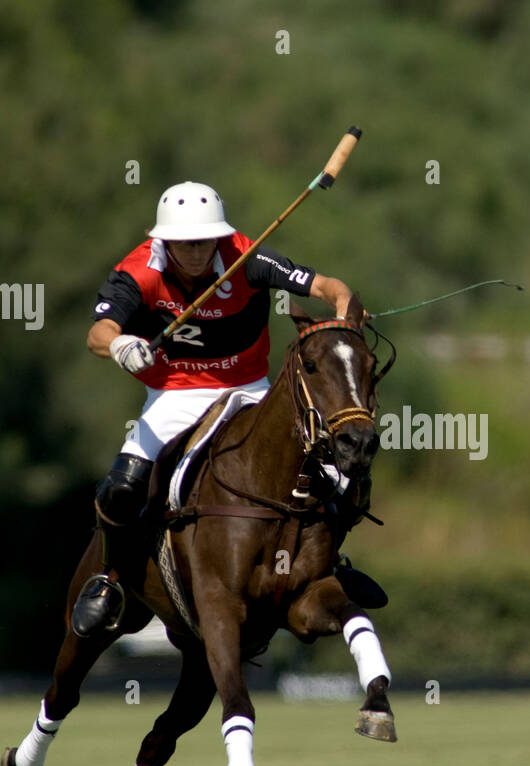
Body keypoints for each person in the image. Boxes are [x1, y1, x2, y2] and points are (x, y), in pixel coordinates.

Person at [71, 181, 358, 637]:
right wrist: (122, 344)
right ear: (164, 241)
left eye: (204, 241)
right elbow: (98, 332)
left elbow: (328, 286)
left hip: (249, 388)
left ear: (219, 236)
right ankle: (110, 581)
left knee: (330, 472)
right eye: (184, 244)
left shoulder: (247, 257)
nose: (195, 252)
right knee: (121, 490)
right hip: (175, 392)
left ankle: (333, 565)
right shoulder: (140, 271)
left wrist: (343, 315)